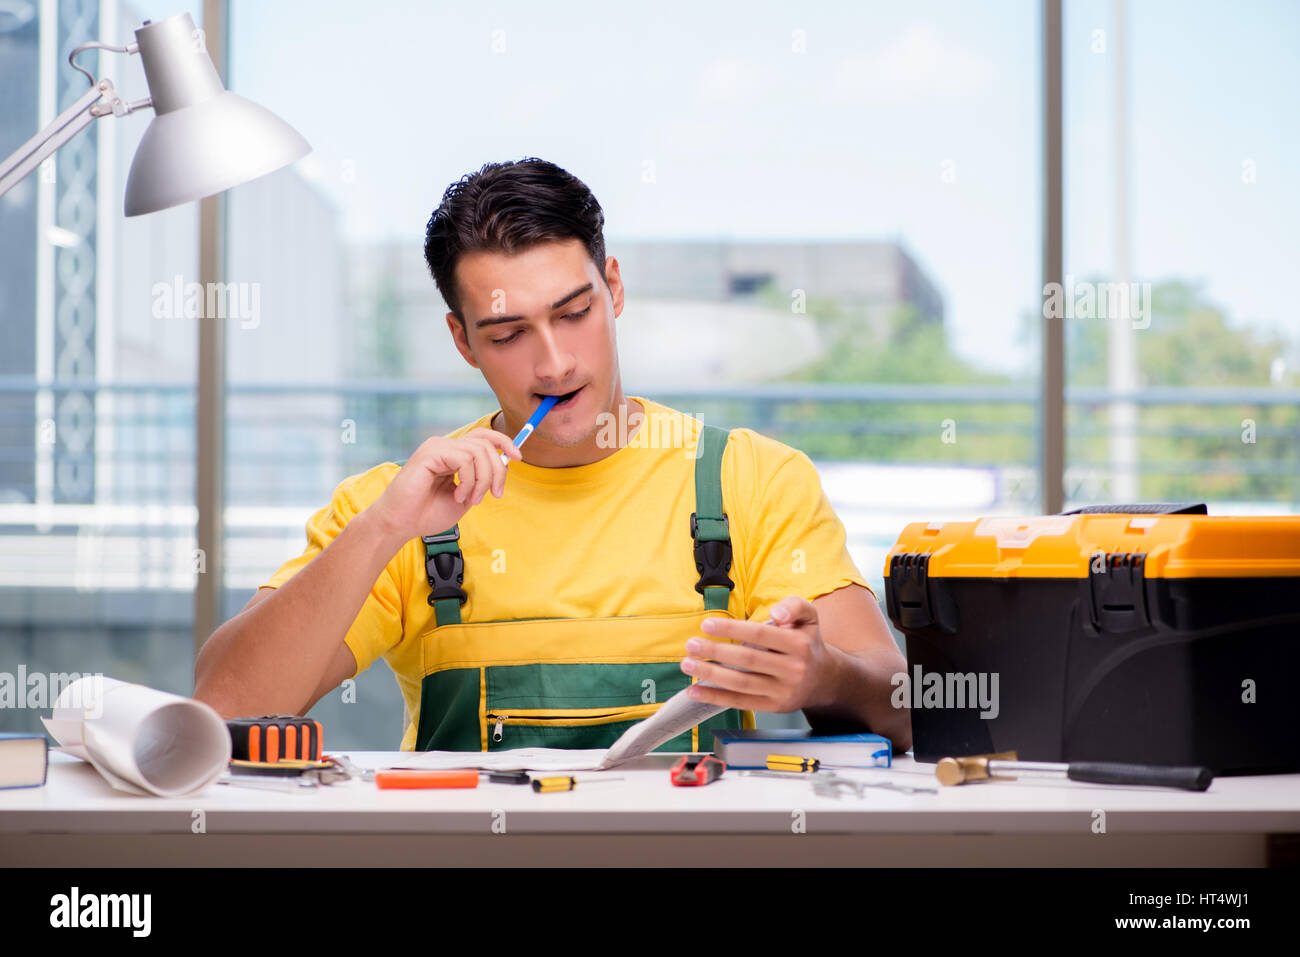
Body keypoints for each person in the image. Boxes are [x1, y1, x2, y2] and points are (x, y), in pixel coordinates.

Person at [194, 157, 911, 753]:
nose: (556, 363)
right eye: (508, 334)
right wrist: (382, 528)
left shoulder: (749, 482)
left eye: (575, 313)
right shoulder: (401, 509)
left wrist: (823, 676)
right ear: (462, 340)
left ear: (615, 289)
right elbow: (219, 708)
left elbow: (909, 710)